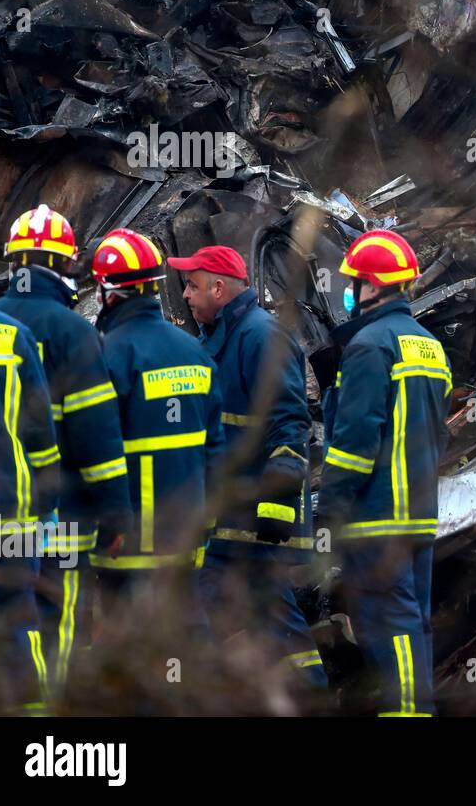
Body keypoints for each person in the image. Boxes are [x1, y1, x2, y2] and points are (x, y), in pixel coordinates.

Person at [168, 244, 326, 693]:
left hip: (256, 526)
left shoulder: (260, 337)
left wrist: (274, 511)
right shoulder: (220, 338)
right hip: (229, 524)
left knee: (266, 622)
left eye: (193, 286)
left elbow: (291, 426)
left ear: (219, 288)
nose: (186, 296)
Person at [0, 205, 130, 694]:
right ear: (66, 265)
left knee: (6, 629)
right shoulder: (77, 334)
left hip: (3, 517)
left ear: (14, 262)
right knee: (60, 625)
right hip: (65, 517)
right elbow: (98, 440)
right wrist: (115, 515)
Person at [320, 229, 450, 716]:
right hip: (419, 518)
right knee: (413, 627)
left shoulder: (370, 345)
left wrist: (329, 513)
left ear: (373, 286)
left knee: (388, 631)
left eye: (355, 281)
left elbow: (354, 442)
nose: (350, 289)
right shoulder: (430, 346)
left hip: (378, 519)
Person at [89, 228, 224, 655]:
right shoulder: (194, 351)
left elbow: (96, 454)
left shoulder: (108, 356)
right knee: (185, 641)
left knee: (133, 656)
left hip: (131, 543)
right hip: (188, 535)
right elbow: (216, 451)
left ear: (108, 291)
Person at [0, 252, 60, 714]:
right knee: (16, 626)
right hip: (5, 523)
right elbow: (41, 438)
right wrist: (46, 508)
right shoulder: (11, 336)